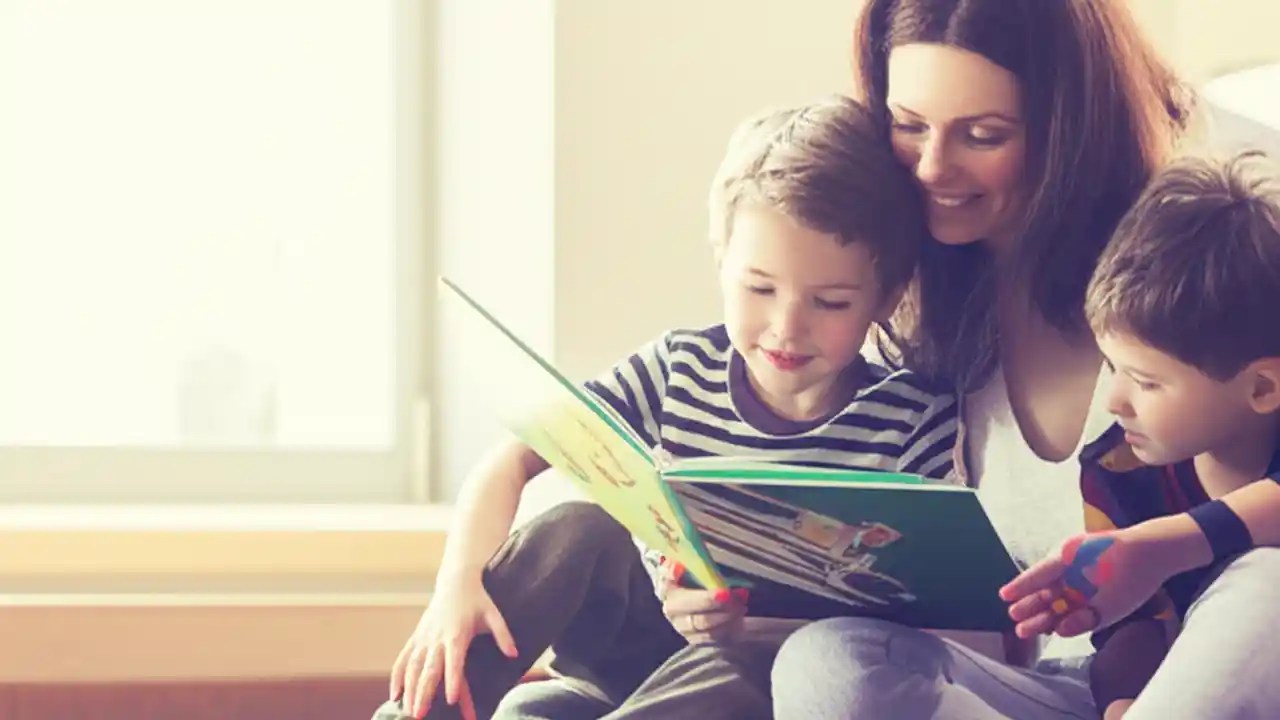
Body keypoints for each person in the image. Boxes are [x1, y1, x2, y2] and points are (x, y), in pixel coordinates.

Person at [371, 94, 960, 720]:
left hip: (769, 682)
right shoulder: (680, 367)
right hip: (648, 650)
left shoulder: (911, 418)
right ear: (721, 259)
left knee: (716, 673)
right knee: (578, 527)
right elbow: (511, 460)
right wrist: (455, 585)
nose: (786, 327)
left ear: (885, 297)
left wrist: (759, 624)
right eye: (759, 288)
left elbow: (933, 615)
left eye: (832, 302)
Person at [772, 2, 1280, 719]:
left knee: (1268, 585)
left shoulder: (1185, 280)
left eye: (982, 135)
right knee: (831, 658)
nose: (932, 166)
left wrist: (1167, 550)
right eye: (909, 125)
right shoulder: (901, 321)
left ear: (1069, 134)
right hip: (1064, 691)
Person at [1059, 153, 1280, 718]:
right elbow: (1127, 628)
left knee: (1266, 580)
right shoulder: (1116, 470)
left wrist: (1160, 547)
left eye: (1146, 381)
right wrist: (1122, 703)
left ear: (1261, 389)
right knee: (858, 655)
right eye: (1111, 367)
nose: (1114, 400)